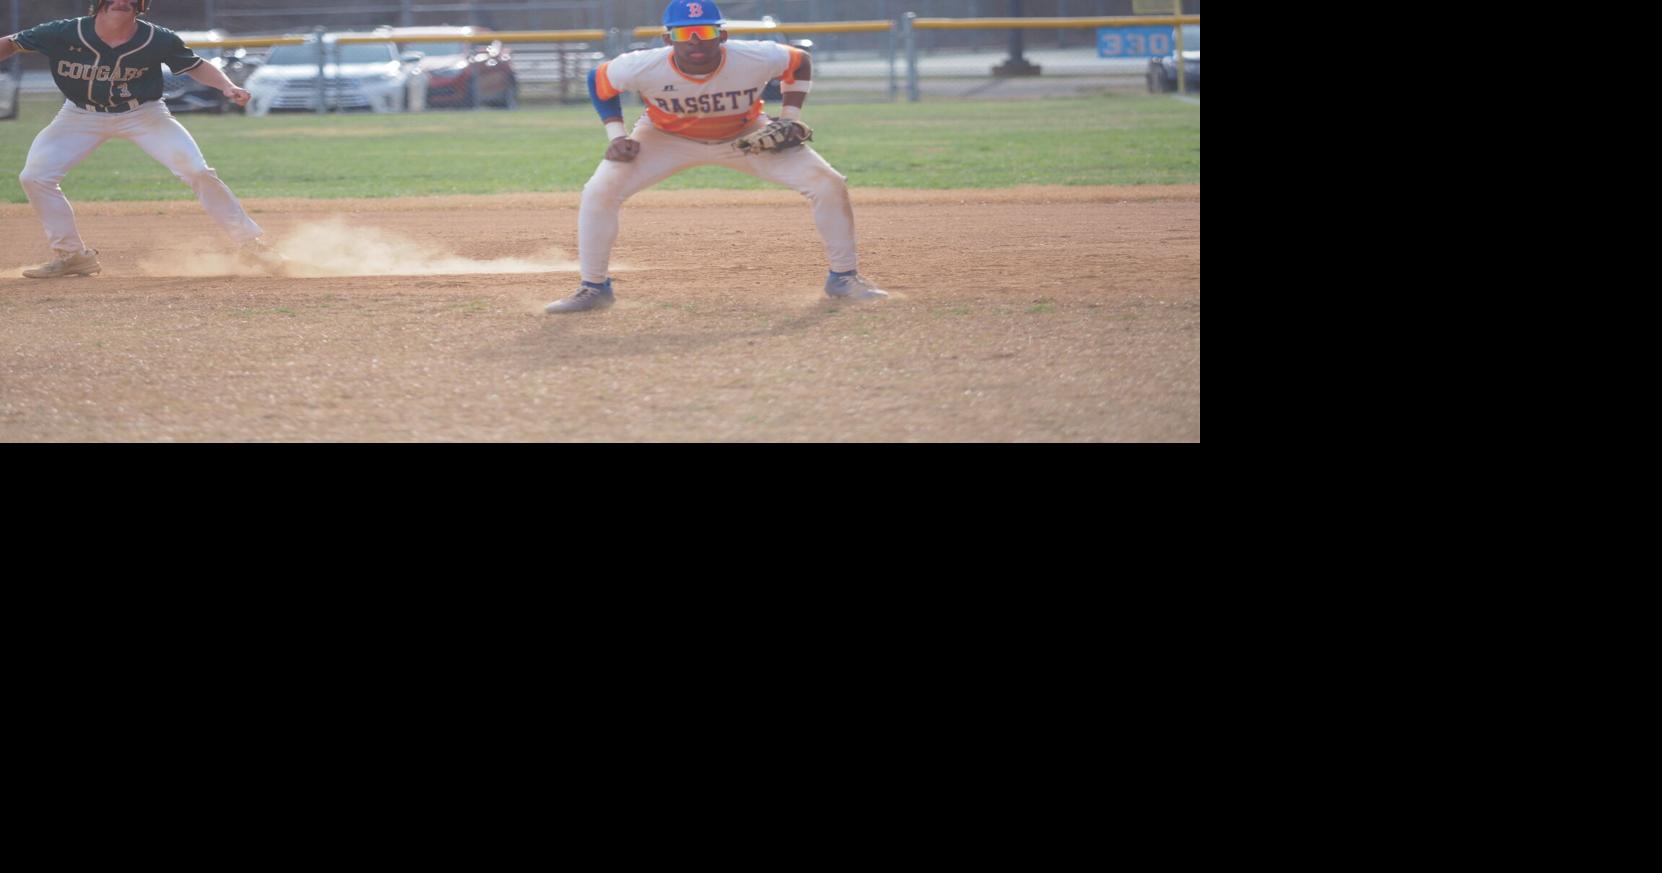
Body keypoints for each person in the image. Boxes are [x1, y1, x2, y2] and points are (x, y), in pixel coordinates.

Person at [547, 0, 887, 314]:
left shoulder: (755, 56)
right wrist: (617, 136)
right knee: (599, 191)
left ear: (722, 35)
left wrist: (789, 118)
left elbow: (799, 62)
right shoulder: (642, 65)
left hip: (746, 135)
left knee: (828, 183)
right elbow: (599, 80)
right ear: (668, 39)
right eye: (684, 34)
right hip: (665, 137)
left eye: (705, 31)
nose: (695, 40)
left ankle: (843, 277)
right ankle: (594, 287)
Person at [1, 0, 284, 278]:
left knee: (197, 170)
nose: (122, 2)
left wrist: (227, 86)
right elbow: (12, 43)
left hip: (144, 114)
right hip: (80, 115)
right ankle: (71, 256)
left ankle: (251, 245)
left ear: (141, 5)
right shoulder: (65, 31)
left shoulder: (156, 38)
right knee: (35, 177)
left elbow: (195, 65)